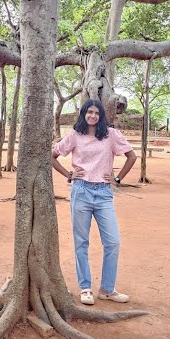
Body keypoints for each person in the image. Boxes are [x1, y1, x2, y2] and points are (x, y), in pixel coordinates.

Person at [51, 98, 137, 306]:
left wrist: (117, 179)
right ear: (83, 114)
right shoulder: (75, 135)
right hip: (81, 191)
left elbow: (132, 156)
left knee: (113, 241)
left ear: (101, 116)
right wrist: (69, 174)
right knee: (81, 242)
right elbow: (52, 156)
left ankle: (107, 289)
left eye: (97, 113)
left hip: (104, 193)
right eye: (89, 112)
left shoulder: (110, 135)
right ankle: (85, 287)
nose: (93, 116)